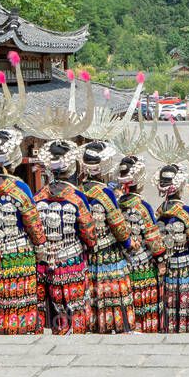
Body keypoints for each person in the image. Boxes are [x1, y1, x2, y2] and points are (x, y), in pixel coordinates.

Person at [0, 129, 47, 335]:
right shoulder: (19, 188)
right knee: (17, 303)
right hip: (17, 254)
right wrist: (41, 248)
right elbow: (33, 223)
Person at [33, 140, 97, 335]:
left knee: (54, 307)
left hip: (46, 262)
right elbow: (89, 232)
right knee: (75, 306)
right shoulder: (76, 197)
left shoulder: (38, 196)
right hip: (71, 259)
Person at [80, 141, 136, 333]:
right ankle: (114, 325)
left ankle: (94, 324)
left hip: (87, 251)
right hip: (108, 253)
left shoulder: (79, 190)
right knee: (111, 291)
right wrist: (129, 243)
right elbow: (119, 227)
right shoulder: (105, 193)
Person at [154, 163, 189, 333]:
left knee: (172, 300)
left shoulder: (160, 210)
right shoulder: (185, 211)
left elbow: (155, 237)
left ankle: (173, 328)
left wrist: (161, 260)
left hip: (169, 263)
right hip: (186, 264)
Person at [116, 155, 167, 333]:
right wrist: (161, 259)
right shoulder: (142, 206)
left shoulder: (117, 203)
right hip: (142, 263)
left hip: (122, 259)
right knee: (143, 299)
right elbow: (152, 237)